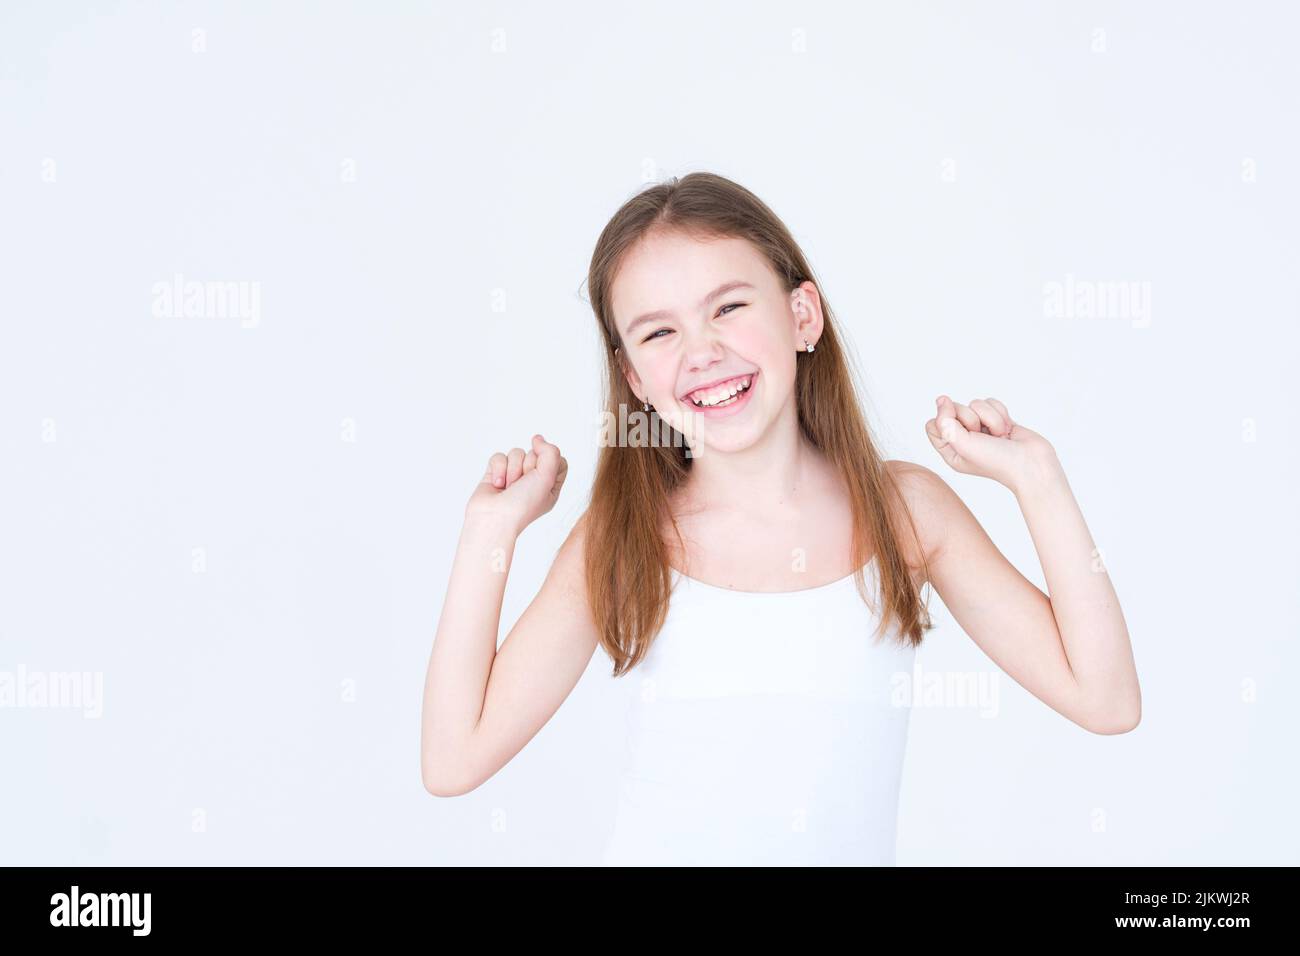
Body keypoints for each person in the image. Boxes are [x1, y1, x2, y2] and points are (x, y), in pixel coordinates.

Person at [420, 172, 1141, 865]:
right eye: (658, 333)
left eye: (729, 308)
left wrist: (1037, 479)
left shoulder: (907, 516)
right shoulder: (625, 538)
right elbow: (454, 759)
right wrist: (490, 531)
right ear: (635, 379)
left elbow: (1105, 699)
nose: (702, 352)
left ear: (803, 315)